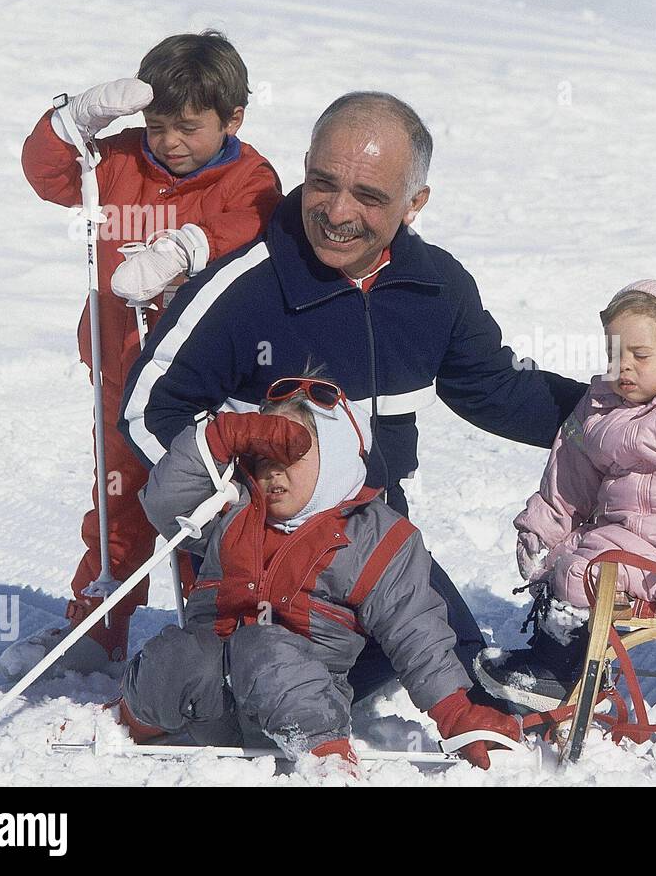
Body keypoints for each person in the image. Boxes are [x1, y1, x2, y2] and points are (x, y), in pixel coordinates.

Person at [118, 91, 587, 699]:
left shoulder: (433, 287)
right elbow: (148, 409)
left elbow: (494, 388)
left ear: (414, 203)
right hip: (261, 560)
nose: (337, 212)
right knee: (280, 689)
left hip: (373, 548)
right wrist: (233, 504)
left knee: (465, 672)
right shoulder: (245, 285)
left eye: (369, 197)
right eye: (323, 184)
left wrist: (629, 417)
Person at [4, 31, 283, 678]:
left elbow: (256, 220)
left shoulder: (249, 176)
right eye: (158, 125)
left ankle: (210, 635)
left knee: (203, 502)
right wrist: (68, 123)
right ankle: (98, 628)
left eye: (188, 127)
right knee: (119, 501)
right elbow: (47, 175)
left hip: (204, 385)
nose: (170, 142)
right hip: (118, 368)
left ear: (233, 119)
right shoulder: (121, 162)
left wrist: (187, 247)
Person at [117, 374, 519, 771]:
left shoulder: (374, 536)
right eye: (261, 459)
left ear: (336, 456)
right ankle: (126, 721)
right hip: (210, 706)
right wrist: (221, 437)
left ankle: (327, 763)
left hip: (302, 702)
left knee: (263, 647)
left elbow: (416, 632)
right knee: (179, 652)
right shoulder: (232, 511)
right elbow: (166, 503)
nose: (272, 472)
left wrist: (455, 712)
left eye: (289, 456)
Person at [476, 279, 656, 712]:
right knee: (563, 557)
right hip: (623, 540)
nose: (622, 367)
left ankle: (558, 673)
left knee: (579, 571)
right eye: (613, 354)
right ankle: (567, 655)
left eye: (640, 356)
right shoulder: (601, 405)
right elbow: (568, 478)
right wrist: (542, 532)